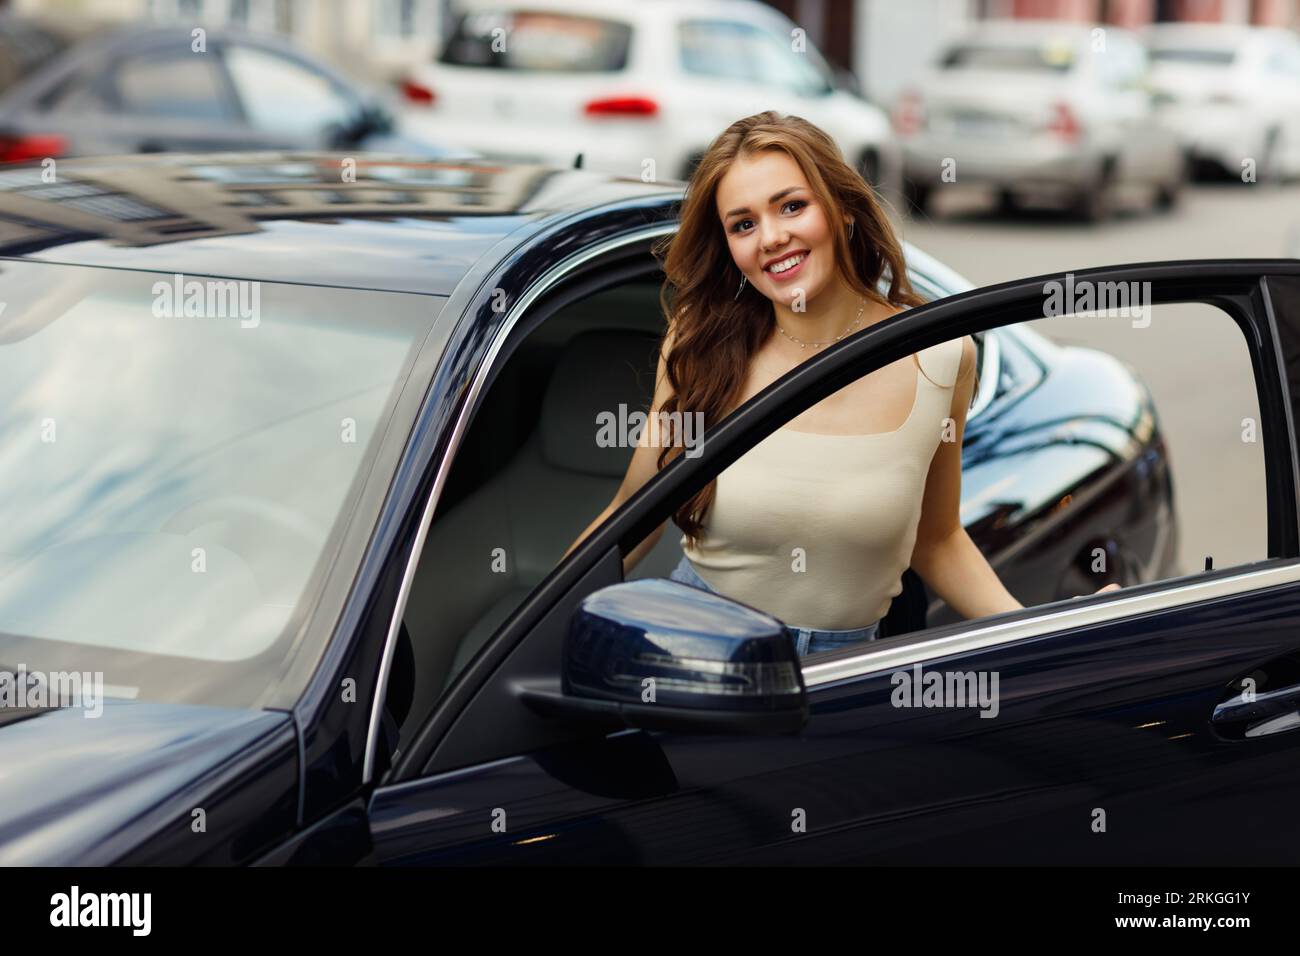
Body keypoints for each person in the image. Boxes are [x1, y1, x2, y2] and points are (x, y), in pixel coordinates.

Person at [566, 111, 1117, 656]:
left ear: (843, 211)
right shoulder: (701, 347)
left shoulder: (941, 357)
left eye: (791, 206)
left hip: (848, 671)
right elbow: (633, 516)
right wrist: (535, 633)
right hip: (696, 651)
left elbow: (938, 540)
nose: (772, 238)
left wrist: (1046, 633)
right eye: (743, 224)